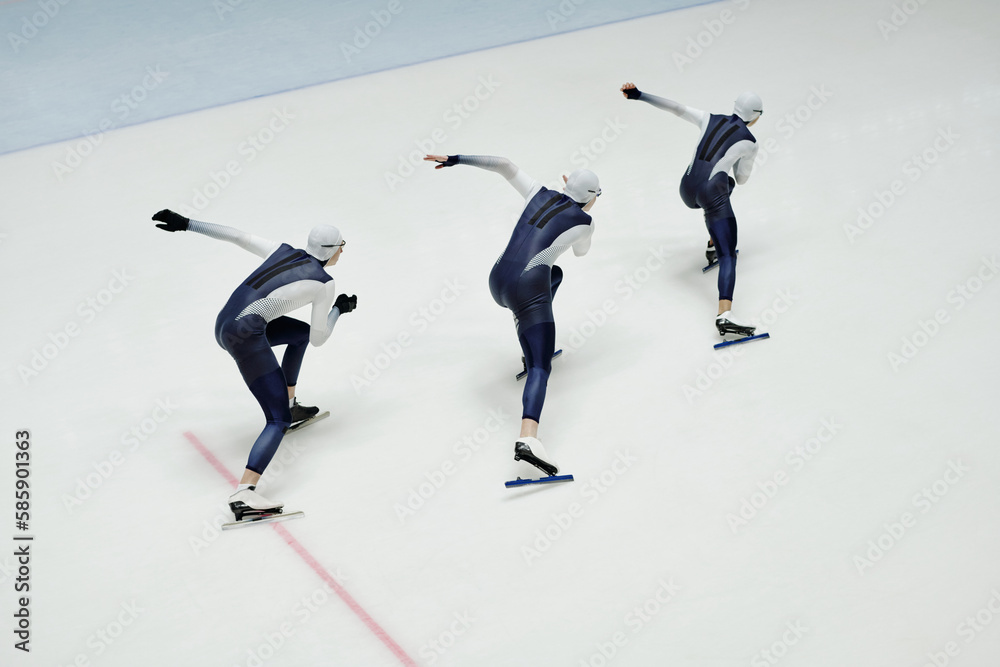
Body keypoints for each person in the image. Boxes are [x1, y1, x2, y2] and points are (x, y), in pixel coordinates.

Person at [151, 209, 357, 520]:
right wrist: (339, 309)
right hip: (244, 337)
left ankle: (290, 403)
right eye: (341, 245)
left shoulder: (282, 250)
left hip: (223, 324)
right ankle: (245, 493)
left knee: (297, 335)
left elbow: (237, 235)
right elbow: (320, 337)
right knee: (276, 421)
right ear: (330, 250)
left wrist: (187, 224)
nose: (342, 249)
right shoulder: (323, 283)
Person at [423, 154, 600, 479]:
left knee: (554, 274)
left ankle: (530, 341)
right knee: (540, 367)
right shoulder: (585, 221)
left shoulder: (538, 191)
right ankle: (528, 439)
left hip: (498, 279)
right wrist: (584, 214)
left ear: (566, 185)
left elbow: (504, 164)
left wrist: (455, 159)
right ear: (590, 198)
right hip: (525, 290)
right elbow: (581, 251)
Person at [621, 82, 762, 337]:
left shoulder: (709, 118)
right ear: (755, 117)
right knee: (729, 254)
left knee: (724, 184)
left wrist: (639, 95)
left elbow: (675, 107)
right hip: (710, 195)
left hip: (686, 189)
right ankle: (724, 315)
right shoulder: (750, 142)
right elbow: (741, 179)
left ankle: (711, 245)